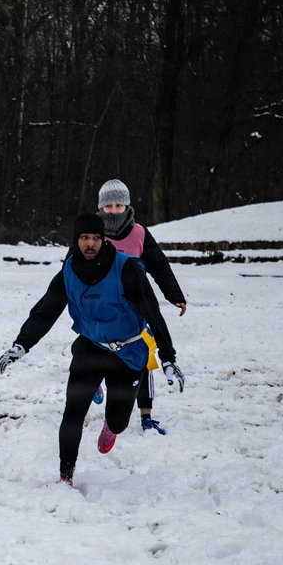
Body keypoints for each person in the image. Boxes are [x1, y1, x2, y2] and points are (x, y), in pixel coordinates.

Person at [0, 213, 184, 485]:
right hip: (90, 348)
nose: (90, 244)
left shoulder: (127, 269)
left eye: (96, 238)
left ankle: (112, 424)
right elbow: (45, 311)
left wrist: (168, 357)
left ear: (103, 240)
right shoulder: (69, 271)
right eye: (84, 237)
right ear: (76, 240)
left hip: (128, 353)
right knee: (73, 410)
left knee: (119, 421)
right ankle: (65, 477)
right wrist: (21, 344)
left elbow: (152, 314)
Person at [97, 179, 187, 433]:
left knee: (144, 359)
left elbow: (159, 265)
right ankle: (93, 381)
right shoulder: (93, 233)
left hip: (135, 310)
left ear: (127, 205)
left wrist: (174, 294)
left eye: (119, 204)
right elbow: (73, 267)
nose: (114, 210)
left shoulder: (139, 233)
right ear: (101, 207)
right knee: (100, 354)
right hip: (101, 310)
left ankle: (146, 415)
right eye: (109, 205)